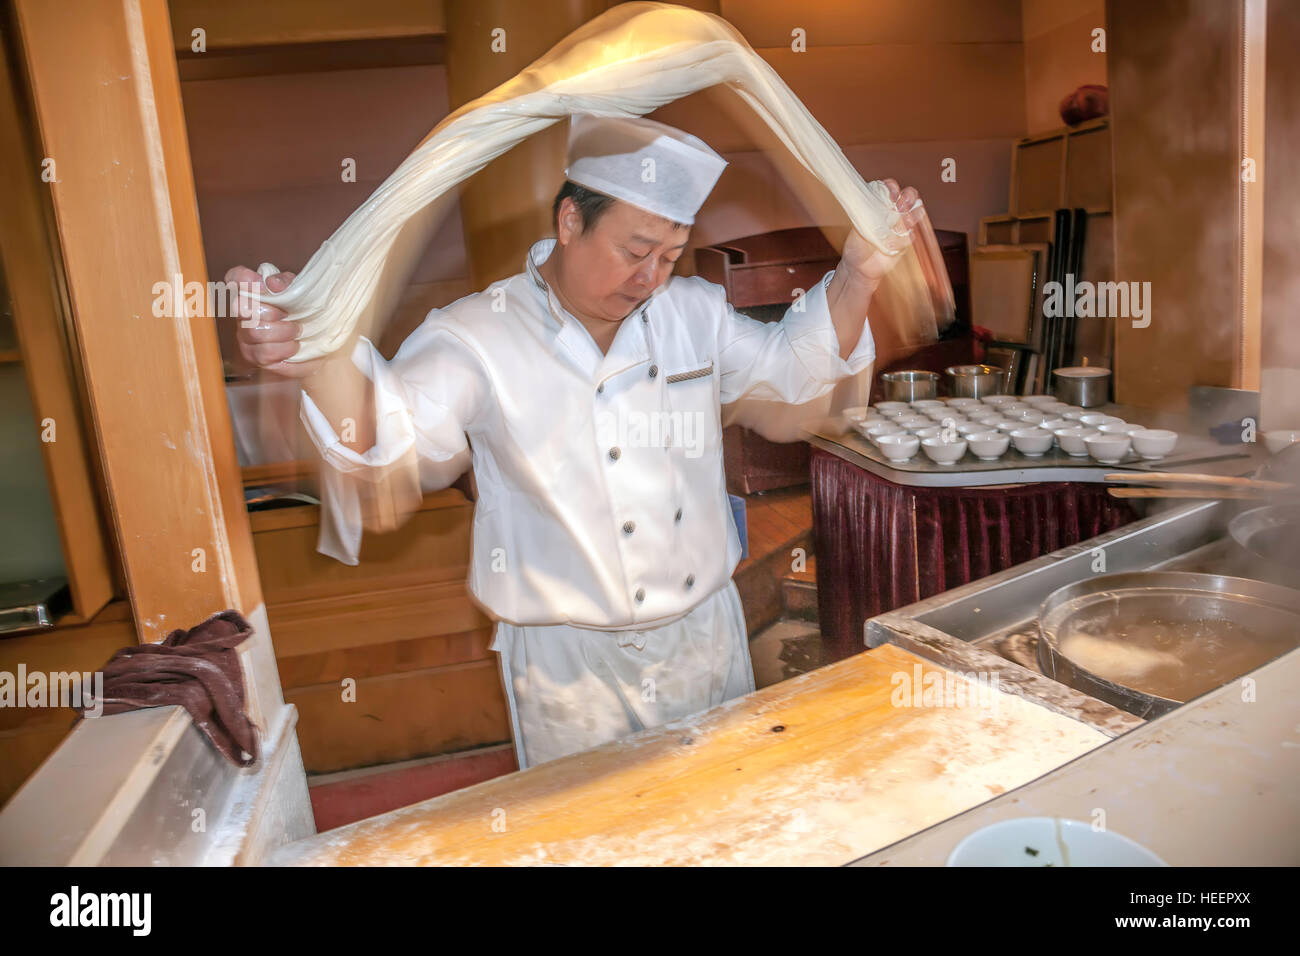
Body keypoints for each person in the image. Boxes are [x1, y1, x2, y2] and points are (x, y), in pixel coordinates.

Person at [230, 114, 922, 770]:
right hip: (569, 669)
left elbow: (791, 376)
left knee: (724, 826)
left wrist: (859, 273)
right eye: (635, 251)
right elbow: (398, 436)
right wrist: (317, 358)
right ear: (569, 221)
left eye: (671, 255)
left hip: (703, 638)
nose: (651, 277)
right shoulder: (478, 333)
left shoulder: (691, 313)